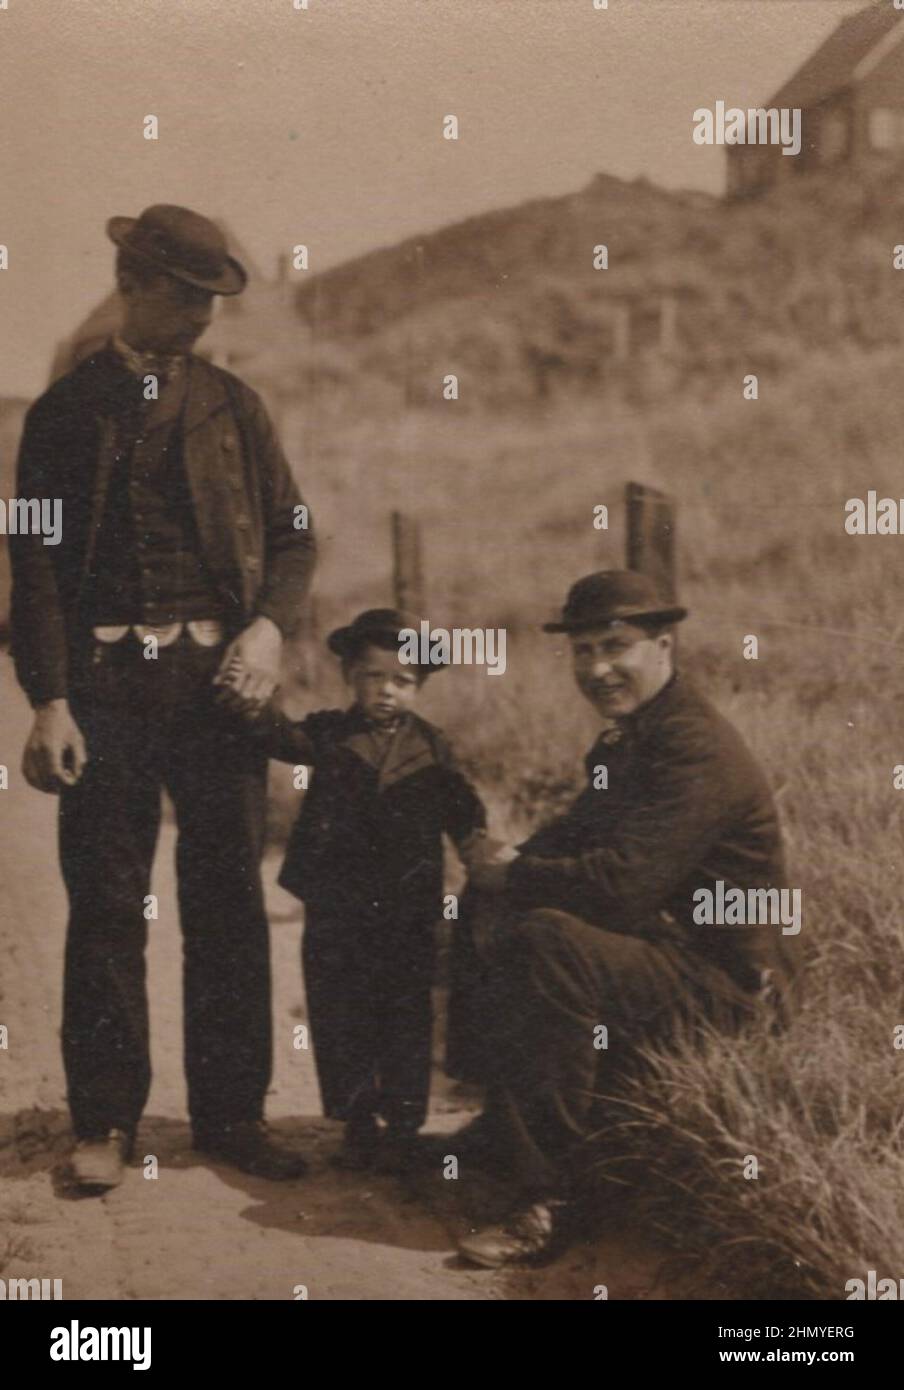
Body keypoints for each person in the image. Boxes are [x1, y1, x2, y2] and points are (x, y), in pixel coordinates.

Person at [10, 204, 316, 1191]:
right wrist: (49, 699)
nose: (202, 316)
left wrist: (268, 626)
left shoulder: (235, 406)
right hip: (104, 695)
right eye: (187, 295)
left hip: (218, 695)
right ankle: (102, 1122)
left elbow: (296, 534)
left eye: (213, 300)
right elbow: (36, 567)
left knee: (226, 899)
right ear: (132, 285)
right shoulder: (61, 414)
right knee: (106, 906)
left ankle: (231, 1115)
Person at [449, 570, 797, 1267]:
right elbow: (578, 834)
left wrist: (515, 873)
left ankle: (554, 1200)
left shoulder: (692, 747)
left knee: (551, 941)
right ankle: (500, 1125)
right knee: (491, 899)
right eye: (582, 652)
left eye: (616, 647)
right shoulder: (631, 737)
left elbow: (619, 890)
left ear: (664, 645)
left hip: (731, 987)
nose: (598, 669)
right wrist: (503, 866)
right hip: (669, 953)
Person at [267, 608, 489, 1173]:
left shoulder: (433, 748)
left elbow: (462, 807)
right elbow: (278, 736)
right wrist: (246, 697)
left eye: (402, 681)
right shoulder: (330, 734)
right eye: (373, 677)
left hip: (408, 906)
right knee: (341, 1006)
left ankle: (406, 1122)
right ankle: (357, 1119)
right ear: (350, 677)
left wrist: (479, 852)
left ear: (419, 686)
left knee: (406, 1007)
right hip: (337, 905)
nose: (387, 691)